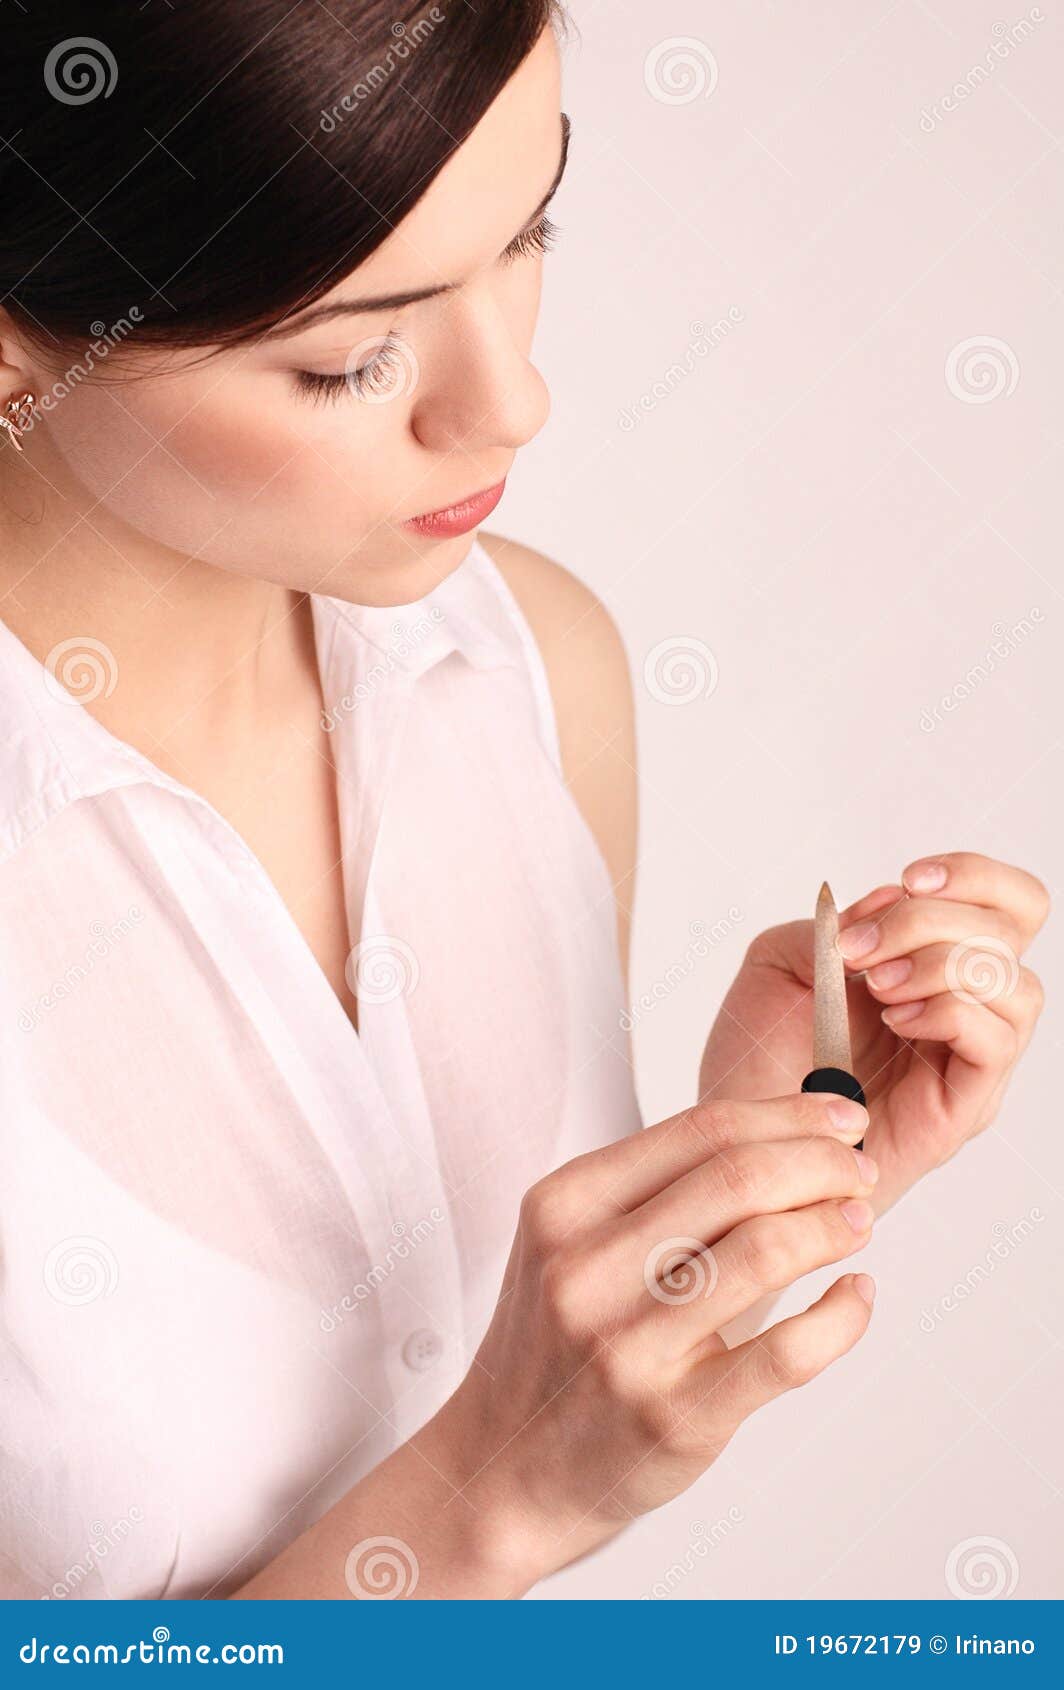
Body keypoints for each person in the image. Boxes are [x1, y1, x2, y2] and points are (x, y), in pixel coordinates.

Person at [0, 4, 1046, 1599]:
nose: (511, 405)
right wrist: (489, 1496)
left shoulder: (530, 669)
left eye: (530, 225)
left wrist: (761, 1174)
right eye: (354, 352)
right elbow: (483, 1500)